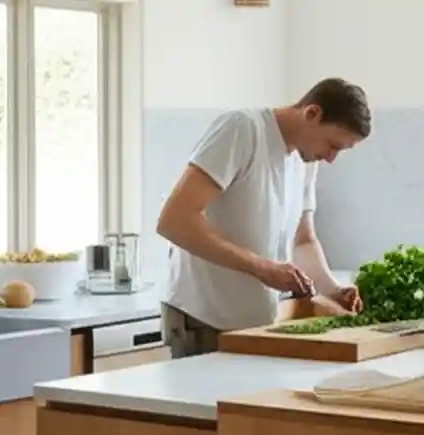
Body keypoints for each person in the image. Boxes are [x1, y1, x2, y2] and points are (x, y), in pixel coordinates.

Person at [156, 77, 372, 358]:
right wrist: (262, 267)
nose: (331, 158)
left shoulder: (305, 161)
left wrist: (332, 289)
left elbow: (303, 240)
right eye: (333, 145)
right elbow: (174, 220)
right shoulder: (243, 129)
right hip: (204, 319)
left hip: (257, 326)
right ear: (312, 113)